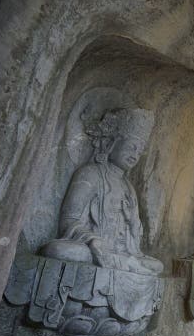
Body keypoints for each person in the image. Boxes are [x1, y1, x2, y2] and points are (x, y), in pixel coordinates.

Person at [42, 108, 163, 276]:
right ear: (110, 144)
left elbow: (134, 241)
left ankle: (122, 264)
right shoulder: (89, 174)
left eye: (139, 150)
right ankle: (120, 264)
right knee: (59, 250)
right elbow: (68, 220)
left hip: (122, 253)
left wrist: (132, 221)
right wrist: (92, 240)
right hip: (91, 247)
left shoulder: (129, 188)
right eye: (131, 147)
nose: (135, 154)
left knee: (156, 266)